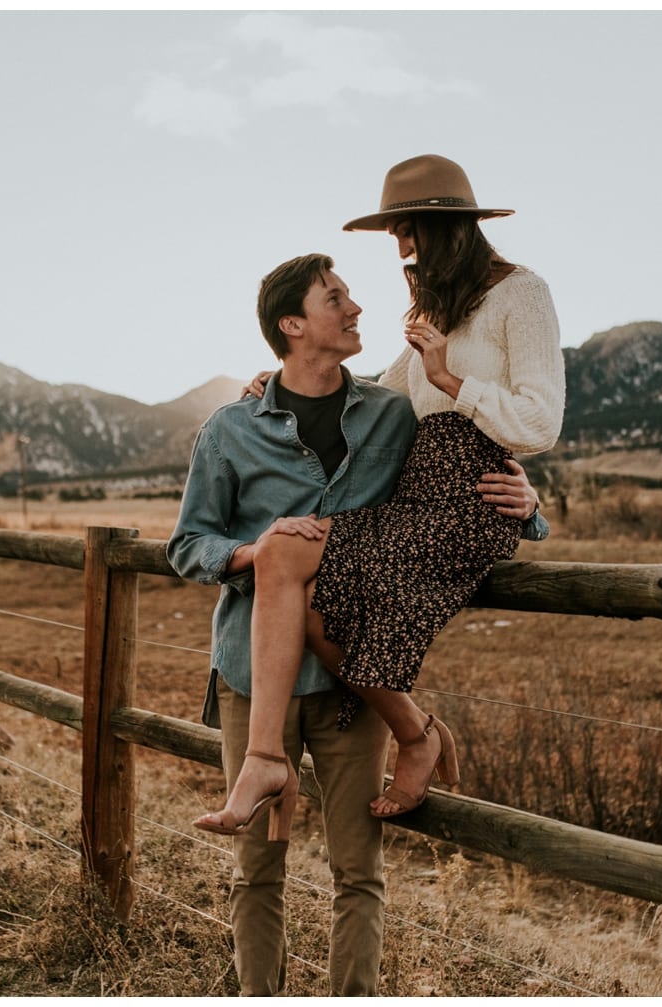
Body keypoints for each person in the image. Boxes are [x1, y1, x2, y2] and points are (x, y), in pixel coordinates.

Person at [167, 251, 548, 996]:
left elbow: (454, 491)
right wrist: (256, 551)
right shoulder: (230, 429)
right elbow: (187, 542)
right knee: (257, 871)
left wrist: (529, 507)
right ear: (293, 324)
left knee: (358, 871)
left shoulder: (394, 411)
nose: (355, 307)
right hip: (252, 673)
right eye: (335, 298)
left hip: (350, 677)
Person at [199, 154, 565, 831]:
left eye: (406, 232)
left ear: (441, 227)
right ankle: (371, 736)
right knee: (298, 581)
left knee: (295, 569)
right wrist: (277, 381)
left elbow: (541, 420)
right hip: (414, 494)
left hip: (474, 494)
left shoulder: (523, 293)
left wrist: (453, 381)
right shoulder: (434, 310)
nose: (400, 251)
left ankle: (405, 739)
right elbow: (378, 392)